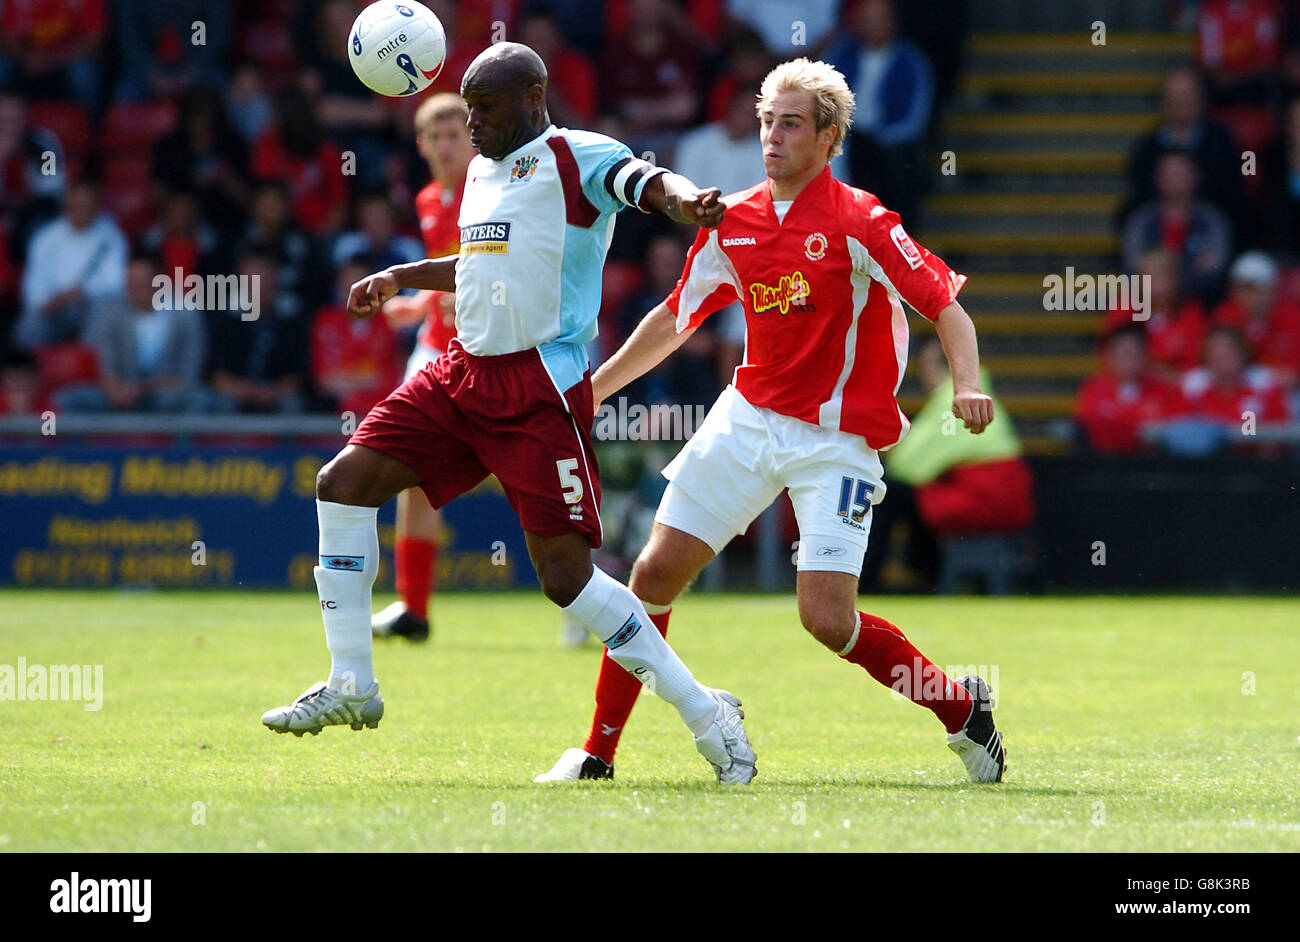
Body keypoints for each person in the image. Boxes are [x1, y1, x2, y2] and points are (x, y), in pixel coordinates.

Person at [260, 42, 757, 785]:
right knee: (342, 483)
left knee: (565, 579)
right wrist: (401, 274)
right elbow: (476, 261)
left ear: (532, 96)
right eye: (466, 110)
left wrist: (687, 205)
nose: (472, 125)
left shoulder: (579, 155)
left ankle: (704, 712)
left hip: (537, 390)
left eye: (484, 110)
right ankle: (353, 683)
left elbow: (647, 183)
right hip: (461, 372)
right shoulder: (486, 172)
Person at [535, 58, 1005, 785]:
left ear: (829, 138)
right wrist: (593, 389)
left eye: (790, 124)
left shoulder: (863, 221)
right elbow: (676, 315)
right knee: (652, 575)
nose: (773, 137)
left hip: (837, 441)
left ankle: (962, 711)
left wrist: (968, 384)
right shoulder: (735, 218)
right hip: (748, 419)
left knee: (827, 620)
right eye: (766, 122)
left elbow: (945, 306)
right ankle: (598, 753)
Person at [369, 93, 476, 643]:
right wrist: (419, 304)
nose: (448, 143)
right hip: (436, 349)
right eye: (437, 135)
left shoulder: (491, 191)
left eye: (457, 132)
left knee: (527, 475)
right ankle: (413, 609)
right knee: (410, 473)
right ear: (422, 145)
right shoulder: (429, 199)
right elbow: (447, 276)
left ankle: (591, 589)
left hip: (490, 351)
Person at [1076, 325, 1184, 454]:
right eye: (1123, 354)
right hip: (1104, 463)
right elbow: (1087, 428)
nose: (1129, 362)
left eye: (1134, 354)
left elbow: (1173, 432)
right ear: (1110, 357)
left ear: (1145, 356)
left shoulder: (1163, 389)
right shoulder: (1094, 389)